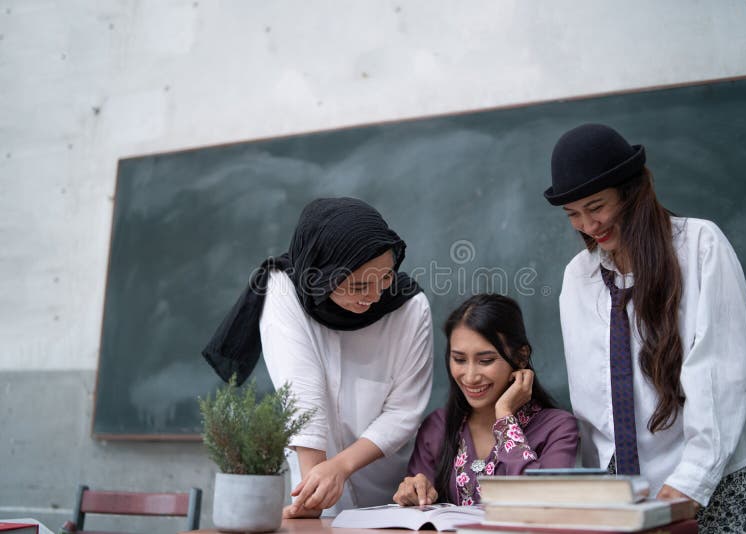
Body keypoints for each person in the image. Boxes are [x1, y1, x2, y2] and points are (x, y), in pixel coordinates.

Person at [543, 123, 746, 532]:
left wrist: (692, 482)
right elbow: (593, 400)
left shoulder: (699, 246)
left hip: (712, 480)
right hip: (626, 492)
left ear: (631, 192)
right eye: (573, 214)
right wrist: (601, 489)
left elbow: (722, 374)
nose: (588, 226)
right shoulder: (578, 278)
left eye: (596, 206)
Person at [203, 197, 434, 518]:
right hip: (314, 481)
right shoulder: (284, 290)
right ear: (320, 275)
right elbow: (303, 394)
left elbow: (404, 411)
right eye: (358, 285)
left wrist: (339, 467)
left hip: (392, 494)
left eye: (385, 277)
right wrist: (315, 498)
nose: (374, 295)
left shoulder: (410, 307)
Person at [393, 294, 579, 506]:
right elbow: (418, 513)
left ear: (521, 357)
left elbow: (544, 503)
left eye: (486, 360)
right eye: (459, 359)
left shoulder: (558, 428)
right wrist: (414, 492)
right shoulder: (437, 427)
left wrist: (505, 418)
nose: (470, 376)